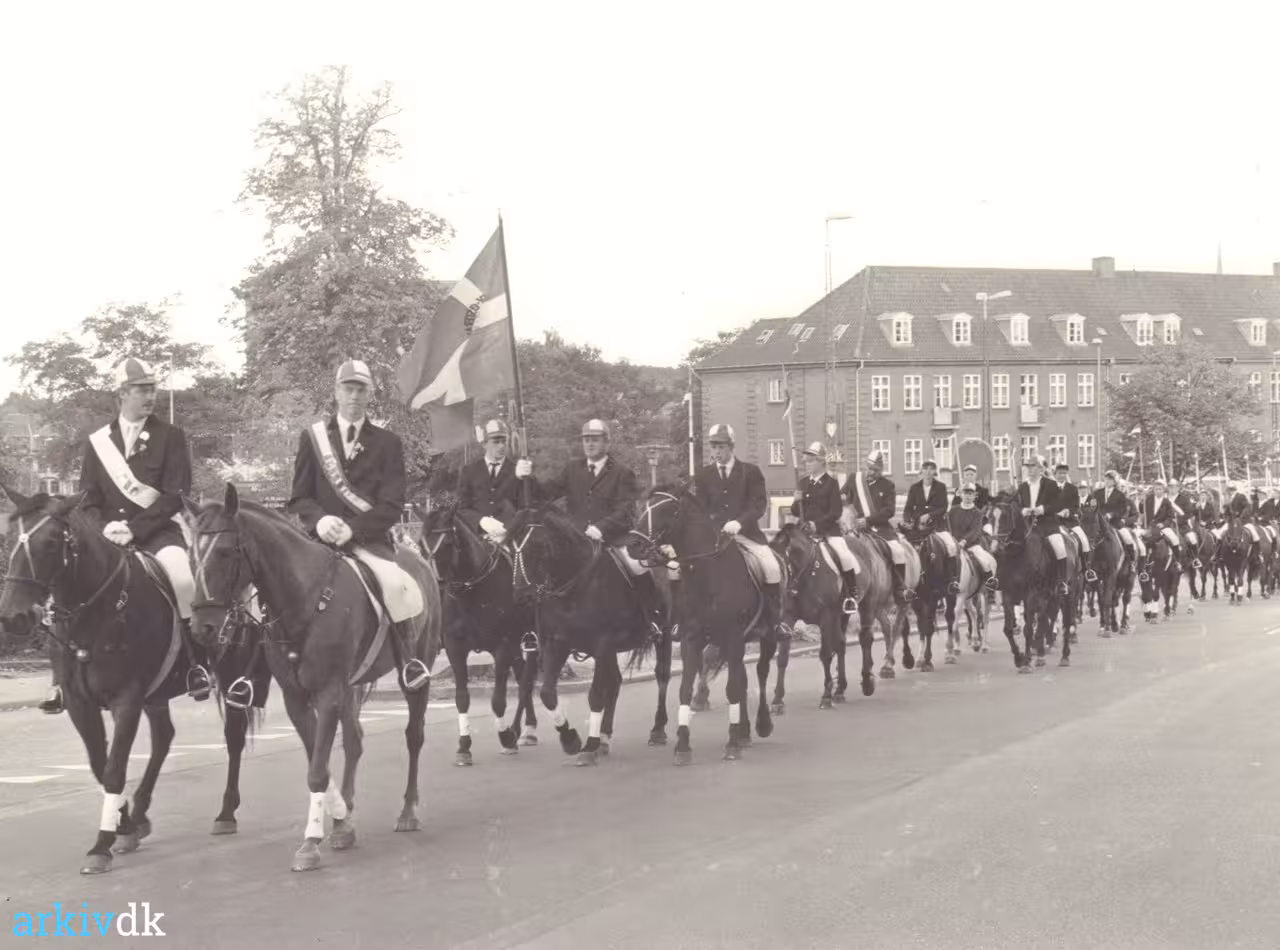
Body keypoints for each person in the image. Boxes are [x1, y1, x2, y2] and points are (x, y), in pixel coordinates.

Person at [40, 358, 212, 716]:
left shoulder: (171, 436)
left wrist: (135, 529)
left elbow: (174, 495)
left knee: (182, 579)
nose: (150, 396)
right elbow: (88, 497)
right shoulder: (98, 442)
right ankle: (63, 677)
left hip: (157, 534)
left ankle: (195, 664)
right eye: (142, 389)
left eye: (152, 388)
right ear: (122, 394)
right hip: (107, 538)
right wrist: (104, 528)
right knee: (70, 585)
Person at [289, 359, 431, 690]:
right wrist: (320, 519)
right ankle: (258, 665)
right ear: (336, 392)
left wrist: (355, 529)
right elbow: (300, 497)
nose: (353, 396)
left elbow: (392, 504)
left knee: (396, 586)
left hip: (368, 541)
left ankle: (408, 659)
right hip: (320, 542)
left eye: (360, 390)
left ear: (370, 395)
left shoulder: (387, 442)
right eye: (348, 389)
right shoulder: (312, 439)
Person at [515, 418, 664, 634]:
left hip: (611, 539)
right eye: (586, 440)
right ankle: (540, 630)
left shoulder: (622, 472)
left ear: (607, 443)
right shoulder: (572, 469)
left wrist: (602, 527)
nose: (590, 444)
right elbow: (545, 495)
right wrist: (527, 478)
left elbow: (626, 510)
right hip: (576, 540)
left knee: (637, 566)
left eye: (595, 440)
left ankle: (651, 618)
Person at [679, 423, 791, 636]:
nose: (716, 451)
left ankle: (774, 621)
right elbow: (699, 508)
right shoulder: (703, 475)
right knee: (686, 567)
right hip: (714, 538)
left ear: (731, 447)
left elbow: (758, 505)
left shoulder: (750, 472)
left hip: (747, 535)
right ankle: (684, 619)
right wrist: (710, 526)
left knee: (771, 567)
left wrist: (739, 522)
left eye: (721, 446)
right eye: (713, 446)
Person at [790, 442, 860, 614]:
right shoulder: (803, 483)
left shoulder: (831, 483)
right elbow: (795, 511)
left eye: (812, 461)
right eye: (807, 461)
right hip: (805, 532)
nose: (808, 464)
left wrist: (817, 524)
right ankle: (790, 591)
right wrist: (795, 500)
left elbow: (835, 512)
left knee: (844, 555)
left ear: (821, 462)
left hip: (828, 531)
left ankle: (851, 594)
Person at [843, 450, 911, 604]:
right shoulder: (855, 479)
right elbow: (842, 497)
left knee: (898, 551)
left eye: (875, 470)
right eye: (869, 468)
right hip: (855, 530)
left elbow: (889, 511)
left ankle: (899, 587)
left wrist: (868, 521)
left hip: (880, 529)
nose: (871, 472)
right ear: (865, 466)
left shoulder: (888, 485)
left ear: (881, 470)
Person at [456, 419, 523, 537]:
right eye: (496, 442)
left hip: (511, 537)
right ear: (484, 444)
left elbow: (525, 506)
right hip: (477, 538)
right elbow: (462, 509)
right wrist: (481, 521)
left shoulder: (518, 471)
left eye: (504, 441)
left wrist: (507, 530)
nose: (501, 446)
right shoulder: (469, 472)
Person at [903, 460, 960, 592]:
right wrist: (908, 520)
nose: (928, 472)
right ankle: (904, 583)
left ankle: (952, 579)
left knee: (950, 546)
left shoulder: (940, 487)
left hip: (937, 526)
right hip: (918, 528)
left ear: (934, 472)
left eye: (931, 469)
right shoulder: (914, 488)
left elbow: (944, 507)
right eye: (925, 469)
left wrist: (929, 515)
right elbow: (908, 509)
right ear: (921, 472)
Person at [1017, 455, 1070, 595]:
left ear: (1041, 469)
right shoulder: (1022, 487)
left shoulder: (1051, 484)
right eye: (1028, 467)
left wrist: (1043, 509)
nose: (1030, 469)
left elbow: (1059, 504)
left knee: (1059, 548)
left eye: (1033, 466)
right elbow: (1016, 505)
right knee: (1011, 547)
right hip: (1028, 527)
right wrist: (1023, 510)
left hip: (1048, 525)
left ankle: (1062, 581)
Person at [947, 483, 999, 590]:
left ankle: (989, 580)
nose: (967, 496)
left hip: (971, 544)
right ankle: (950, 582)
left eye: (970, 494)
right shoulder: (953, 510)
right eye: (965, 493)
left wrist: (964, 541)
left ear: (974, 496)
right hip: (954, 543)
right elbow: (948, 526)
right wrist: (953, 540)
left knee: (984, 560)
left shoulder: (978, 513)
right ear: (961, 495)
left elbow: (975, 530)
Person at [1053, 462, 1095, 583]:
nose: (1062, 476)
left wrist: (1068, 512)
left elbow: (1076, 507)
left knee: (1084, 541)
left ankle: (1087, 569)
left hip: (1069, 523)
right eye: (1060, 473)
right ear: (1055, 474)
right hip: (1053, 522)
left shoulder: (1072, 489)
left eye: (1064, 474)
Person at [1092, 469, 1140, 568]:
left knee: (1127, 538)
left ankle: (1131, 562)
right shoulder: (1097, 493)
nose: (1107, 481)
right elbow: (1093, 507)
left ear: (1114, 482)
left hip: (1115, 523)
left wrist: (1111, 515)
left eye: (1110, 480)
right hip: (1100, 524)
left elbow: (1121, 510)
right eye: (1106, 479)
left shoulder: (1120, 495)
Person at [1142, 479, 1184, 570]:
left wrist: (1163, 524)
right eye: (1156, 489)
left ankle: (1177, 562)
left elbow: (1170, 517)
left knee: (1174, 539)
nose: (1158, 491)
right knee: (1140, 539)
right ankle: (1140, 563)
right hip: (1150, 526)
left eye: (1160, 489)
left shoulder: (1167, 502)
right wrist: (1142, 498)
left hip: (1163, 526)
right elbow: (1142, 511)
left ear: (1164, 490)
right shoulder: (1148, 500)